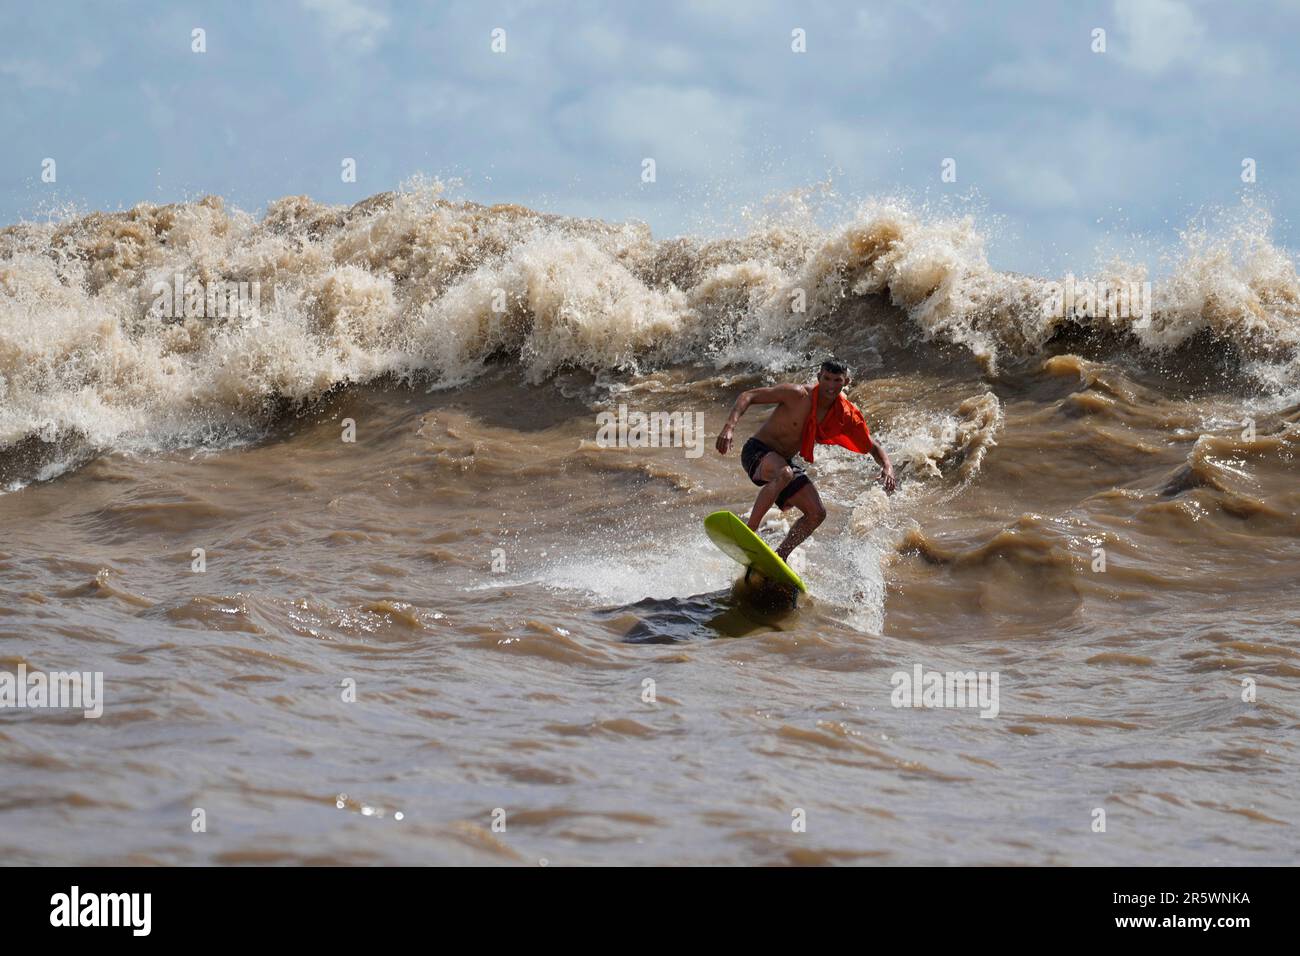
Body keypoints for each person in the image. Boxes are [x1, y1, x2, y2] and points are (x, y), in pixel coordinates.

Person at [715, 359, 896, 560]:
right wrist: (729, 427)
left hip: (784, 462)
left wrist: (887, 467)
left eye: (837, 380)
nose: (831, 385)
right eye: (826, 378)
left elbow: (872, 445)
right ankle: (749, 532)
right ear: (819, 378)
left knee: (817, 513)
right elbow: (748, 395)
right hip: (756, 451)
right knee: (785, 473)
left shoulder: (845, 415)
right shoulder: (797, 395)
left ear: (846, 382)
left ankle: (780, 556)